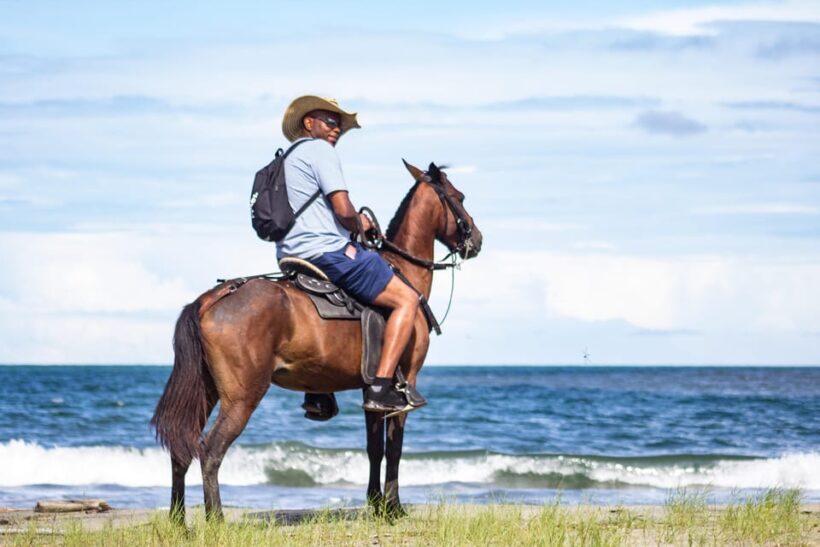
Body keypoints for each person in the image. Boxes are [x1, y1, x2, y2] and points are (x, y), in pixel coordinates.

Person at [278, 95, 423, 414]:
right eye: (330, 121)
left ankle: (319, 387)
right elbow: (343, 210)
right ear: (308, 123)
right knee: (407, 299)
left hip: (290, 253)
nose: (336, 129)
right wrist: (362, 222)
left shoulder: (286, 158)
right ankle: (382, 388)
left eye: (340, 124)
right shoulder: (320, 151)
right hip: (325, 250)